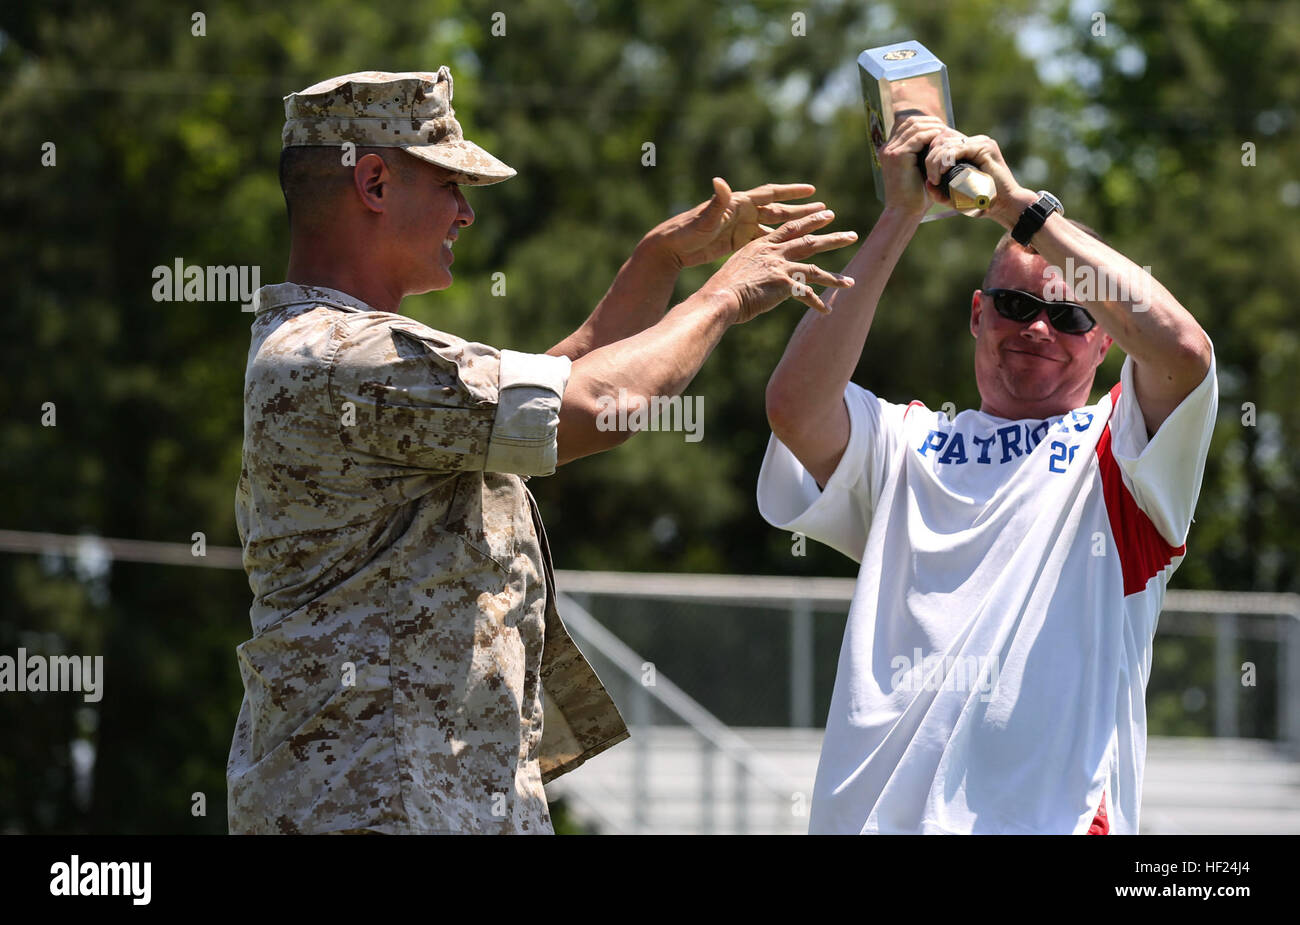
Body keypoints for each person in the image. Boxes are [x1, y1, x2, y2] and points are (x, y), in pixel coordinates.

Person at [227, 67, 857, 834]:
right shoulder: (338, 357)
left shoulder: (347, 353)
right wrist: (722, 297)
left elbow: (560, 384)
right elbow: (597, 406)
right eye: (450, 182)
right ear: (374, 181)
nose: (464, 212)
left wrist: (659, 261)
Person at [759, 113, 1217, 834]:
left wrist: (1017, 209)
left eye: (1068, 315)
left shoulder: (1122, 451)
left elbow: (1183, 352)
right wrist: (899, 215)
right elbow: (794, 407)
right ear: (978, 314)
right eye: (1013, 305)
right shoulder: (908, 443)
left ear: (1104, 339)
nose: (1037, 328)